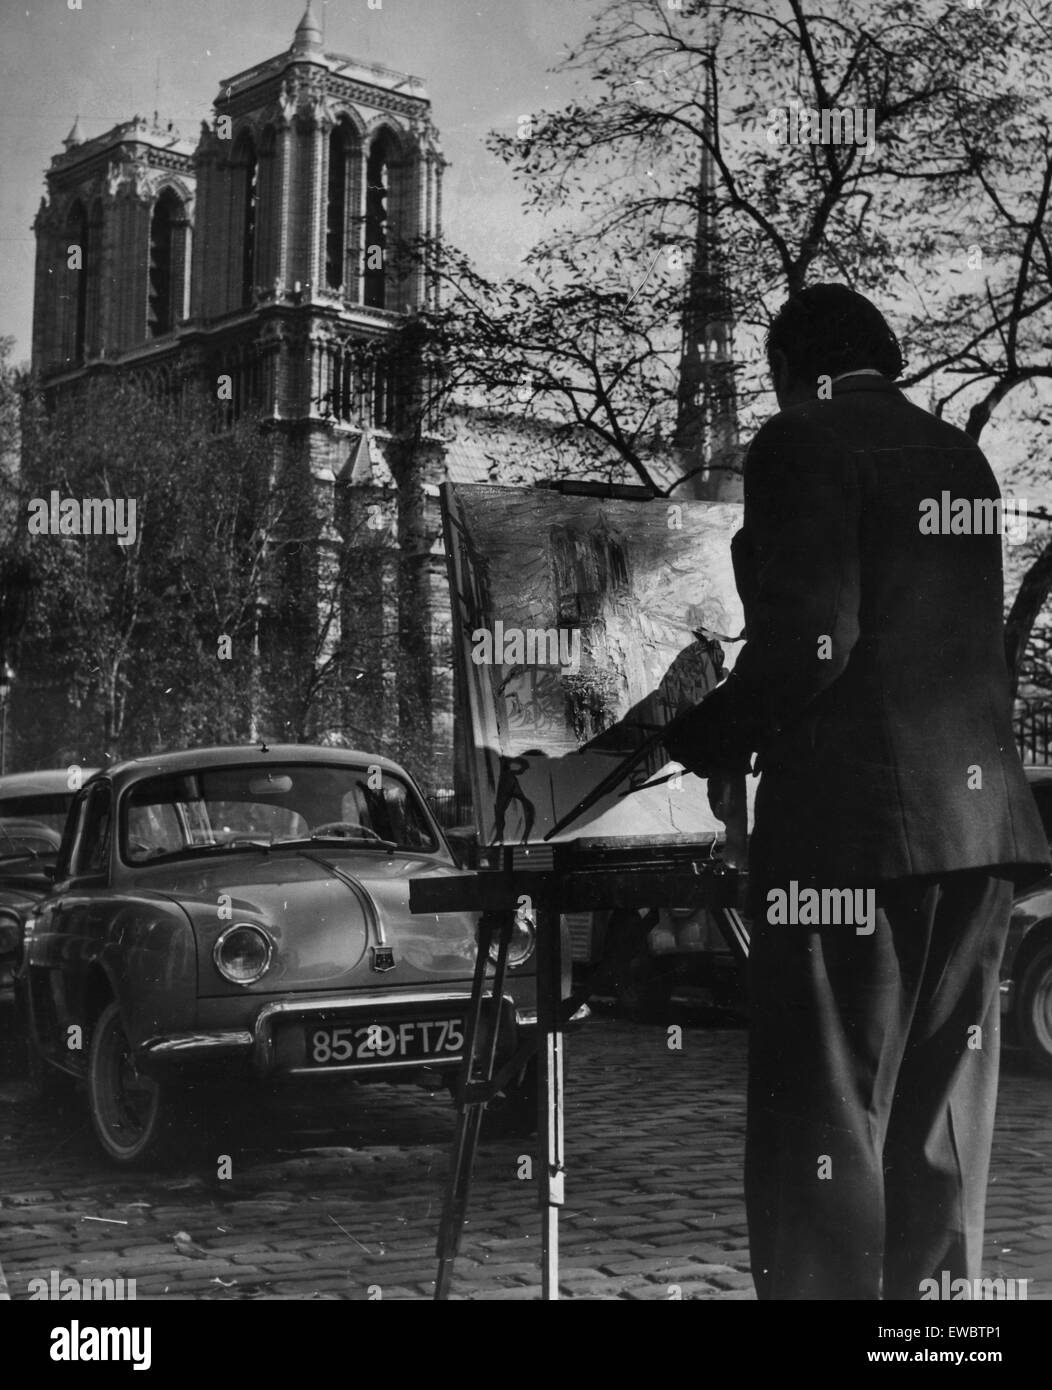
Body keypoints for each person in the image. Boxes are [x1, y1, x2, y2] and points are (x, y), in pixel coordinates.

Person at [664, 283, 1050, 1301]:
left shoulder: (800, 442)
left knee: (822, 1127)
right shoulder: (959, 455)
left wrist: (698, 733)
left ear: (790, 369)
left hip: (849, 841)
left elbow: (808, 648)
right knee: (942, 1129)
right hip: (976, 834)